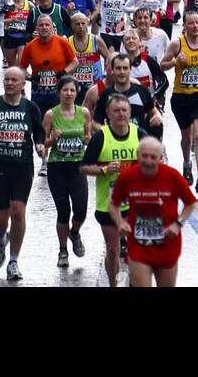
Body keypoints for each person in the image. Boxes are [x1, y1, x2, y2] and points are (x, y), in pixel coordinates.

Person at [0, 66, 46, 282]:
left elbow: (39, 130)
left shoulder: (30, 108)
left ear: (23, 84)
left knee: (19, 212)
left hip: (22, 168)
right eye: (7, 80)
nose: (9, 83)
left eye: (14, 80)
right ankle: (1, 240)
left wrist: (40, 144)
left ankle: (13, 261)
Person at [109, 135, 196, 288]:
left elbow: (190, 202)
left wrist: (178, 224)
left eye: (153, 157)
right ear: (137, 155)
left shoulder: (172, 176)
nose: (148, 162)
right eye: (144, 156)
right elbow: (113, 204)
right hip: (138, 246)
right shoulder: (127, 177)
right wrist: (120, 222)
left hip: (167, 245)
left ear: (161, 157)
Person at [80, 93, 141, 287]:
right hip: (108, 203)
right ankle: (114, 284)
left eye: (124, 110)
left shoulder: (140, 134)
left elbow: (155, 162)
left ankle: (133, 279)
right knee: (113, 249)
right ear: (108, 113)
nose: (121, 114)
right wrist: (104, 170)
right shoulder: (100, 137)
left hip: (134, 202)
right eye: (116, 111)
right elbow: (83, 167)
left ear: (130, 112)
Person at [160, 10, 198, 194]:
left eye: (197, 22)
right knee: (187, 138)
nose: (195, 26)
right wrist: (176, 61)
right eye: (191, 23)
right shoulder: (177, 43)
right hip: (181, 96)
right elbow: (162, 65)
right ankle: (186, 163)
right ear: (184, 25)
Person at [42, 75, 92, 267]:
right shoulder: (51, 115)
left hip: (78, 167)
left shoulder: (84, 113)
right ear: (59, 92)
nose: (69, 93)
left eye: (72, 90)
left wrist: (87, 139)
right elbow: (43, 144)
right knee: (63, 212)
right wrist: (51, 139)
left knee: (81, 210)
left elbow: (87, 135)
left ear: (77, 92)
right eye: (65, 90)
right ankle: (62, 251)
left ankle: (75, 233)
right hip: (58, 168)